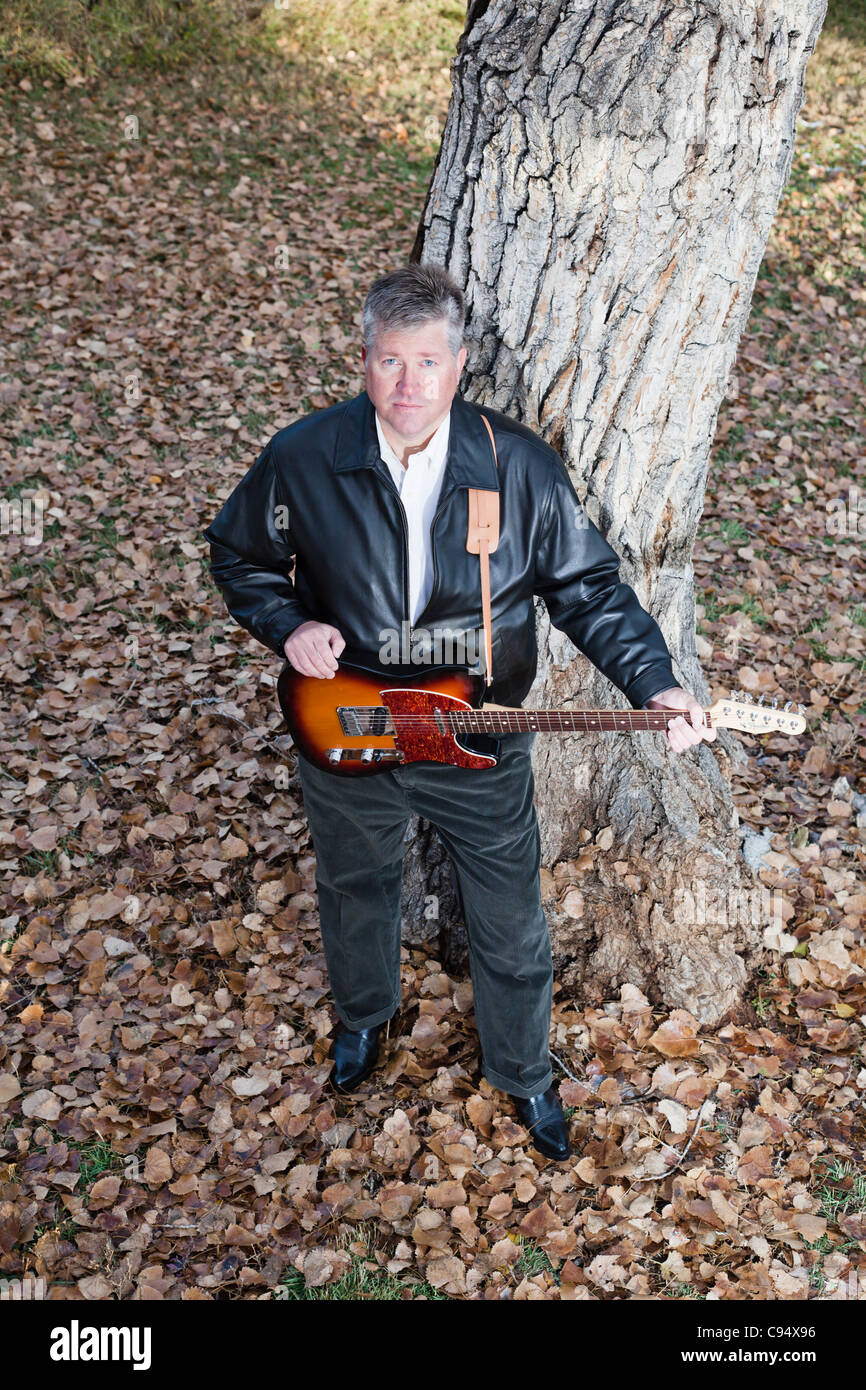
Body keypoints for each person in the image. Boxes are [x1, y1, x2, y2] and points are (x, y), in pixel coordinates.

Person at [203, 263, 715, 1162]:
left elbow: (587, 589)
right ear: (364, 360)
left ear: (461, 363)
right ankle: (364, 1019)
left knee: (511, 917)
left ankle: (523, 1073)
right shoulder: (303, 456)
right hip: (348, 720)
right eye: (391, 363)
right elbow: (239, 556)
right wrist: (288, 626)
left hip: (475, 729)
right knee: (354, 887)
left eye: (428, 363)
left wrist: (655, 684)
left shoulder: (514, 464)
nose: (409, 387)